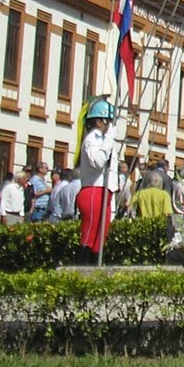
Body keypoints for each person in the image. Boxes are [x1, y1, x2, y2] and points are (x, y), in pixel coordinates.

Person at [73, 98, 122, 264]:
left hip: (105, 190)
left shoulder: (102, 140)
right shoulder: (92, 139)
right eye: (109, 121)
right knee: (90, 232)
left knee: (102, 234)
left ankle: (95, 265)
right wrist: (108, 140)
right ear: (101, 121)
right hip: (94, 189)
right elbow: (98, 162)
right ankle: (82, 265)